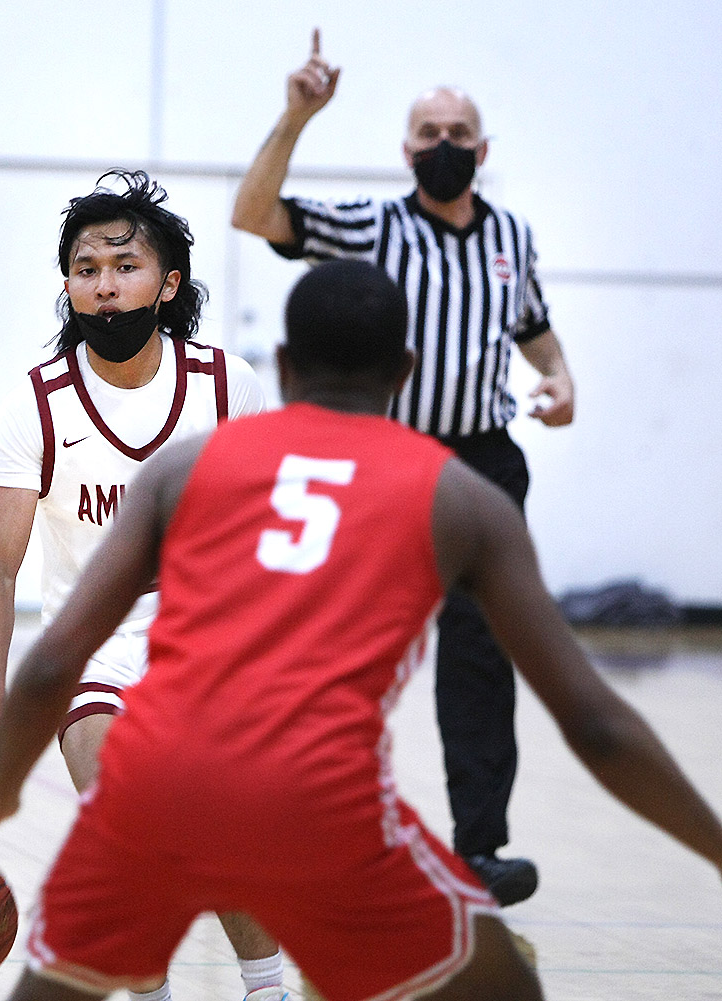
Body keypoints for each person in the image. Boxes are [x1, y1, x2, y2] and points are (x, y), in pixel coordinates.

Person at [0, 259, 722, 1001]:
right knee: (506, 986)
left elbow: (51, 666)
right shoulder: (461, 496)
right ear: (404, 372)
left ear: (282, 367)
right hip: (322, 798)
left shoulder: (185, 468)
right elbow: (597, 723)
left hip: (151, 786)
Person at [0, 170, 286, 1001]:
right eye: (86, 269)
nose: (105, 283)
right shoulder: (38, 406)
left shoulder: (229, 388)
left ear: (169, 283)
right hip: (94, 650)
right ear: (70, 288)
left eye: (124, 264)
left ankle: (268, 989)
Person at [230, 29, 577, 906]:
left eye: (460, 133)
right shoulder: (372, 225)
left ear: (483, 150)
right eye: (430, 132)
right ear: (406, 149)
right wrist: (296, 115)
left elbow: (532, 328)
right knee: (338, 642)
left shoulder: (512, 239)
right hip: (384, 461)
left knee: (482, 652)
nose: (446, 146)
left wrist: (560, 375)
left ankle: (478, 849)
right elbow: (253, 213)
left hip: (483, 468)